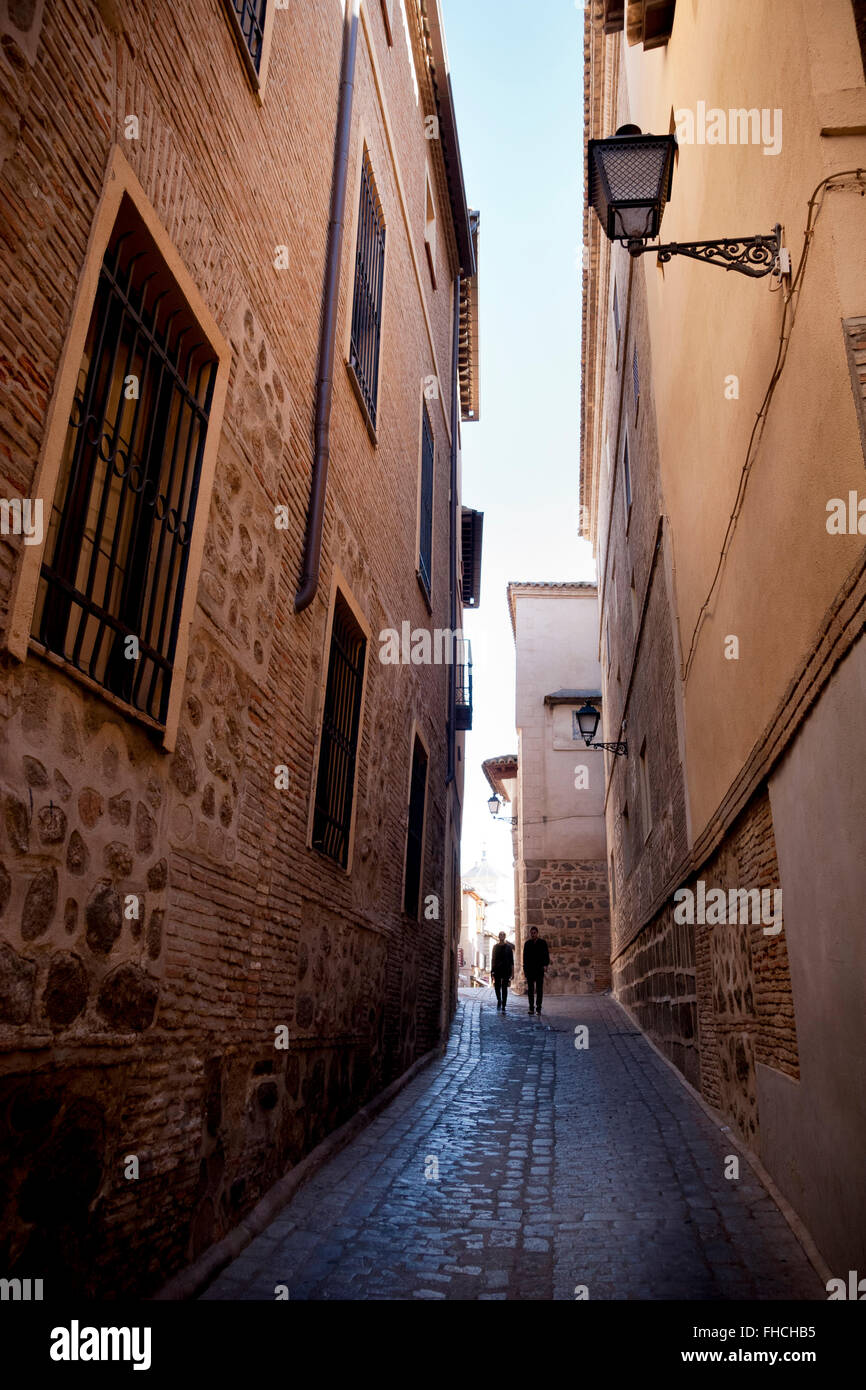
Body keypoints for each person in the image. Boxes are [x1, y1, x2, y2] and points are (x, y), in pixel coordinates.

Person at [522, 926, 550, 1015]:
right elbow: (525, 958)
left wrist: (545, 965)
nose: (533, 934)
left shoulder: (542, 943)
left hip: (539, 970)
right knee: (530, 990)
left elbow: (546, 955)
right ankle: (531, 1008)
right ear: (530, 934)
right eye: (532, 933)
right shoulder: (527, 944)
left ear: (537, 933)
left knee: (539, 990)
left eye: (534, 933)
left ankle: (538, 1008)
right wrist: (525, 969)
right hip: (530, 970)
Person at [490, 932, 514, 1012]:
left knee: (504, 988)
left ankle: (504, 1003)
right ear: (498, 936)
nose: (502, 936)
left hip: (506, 970)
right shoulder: (495, 947)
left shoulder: (508, 947)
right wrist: (492, 970)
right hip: (497, 969)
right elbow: (493, 959)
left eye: (503, 935)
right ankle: (499, 999)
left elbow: (511, 961)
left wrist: (512, 972)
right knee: (497, 987)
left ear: (505, 936)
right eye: (500, 934)